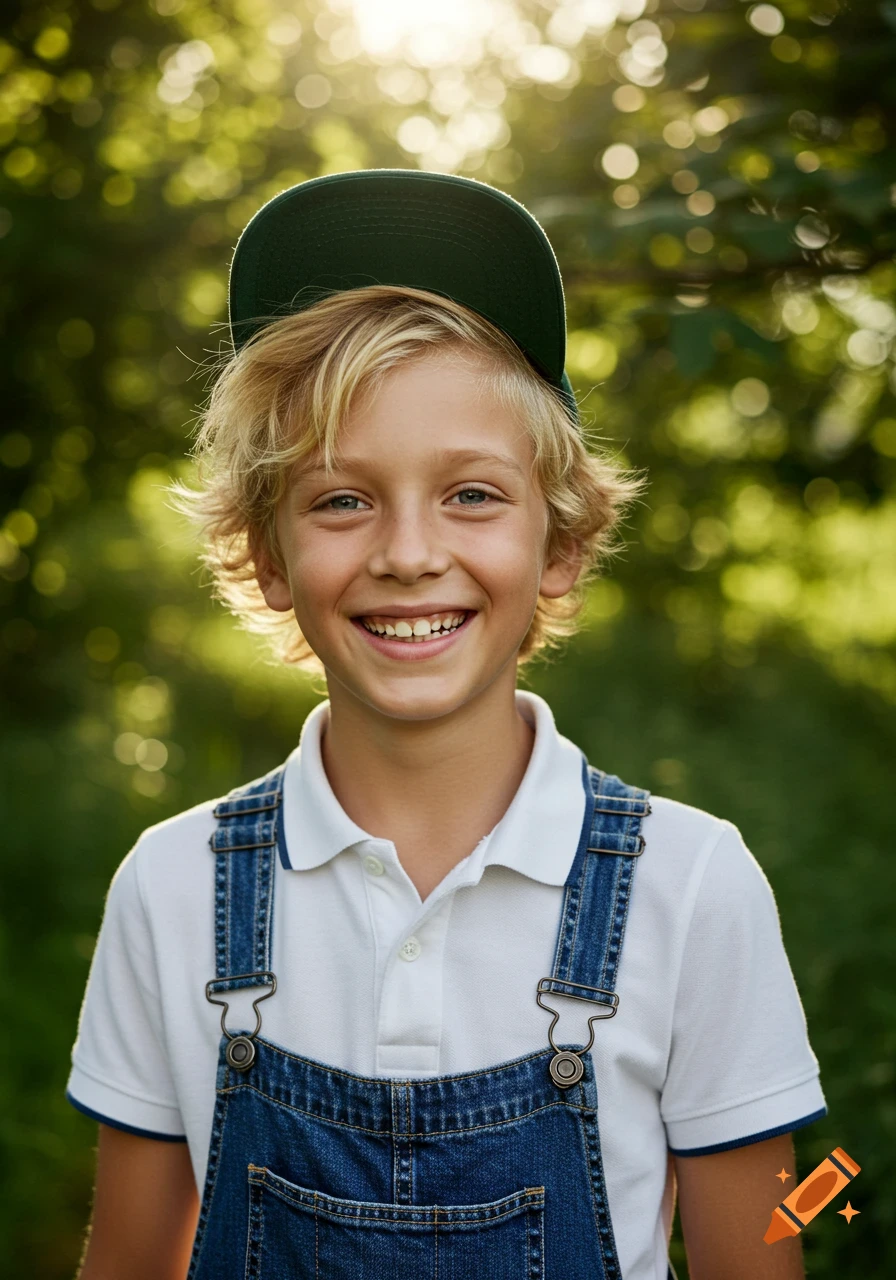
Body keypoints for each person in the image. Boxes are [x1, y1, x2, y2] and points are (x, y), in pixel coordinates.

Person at [67, 169, 826, 1280]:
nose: (409, 553)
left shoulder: (693, 885)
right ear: (269, 556)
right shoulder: (171, 888)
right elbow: (129, 1257)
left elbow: (767, 1233)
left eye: (471, 494)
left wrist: (834, 1197)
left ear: (561, 541)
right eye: (341, 498)